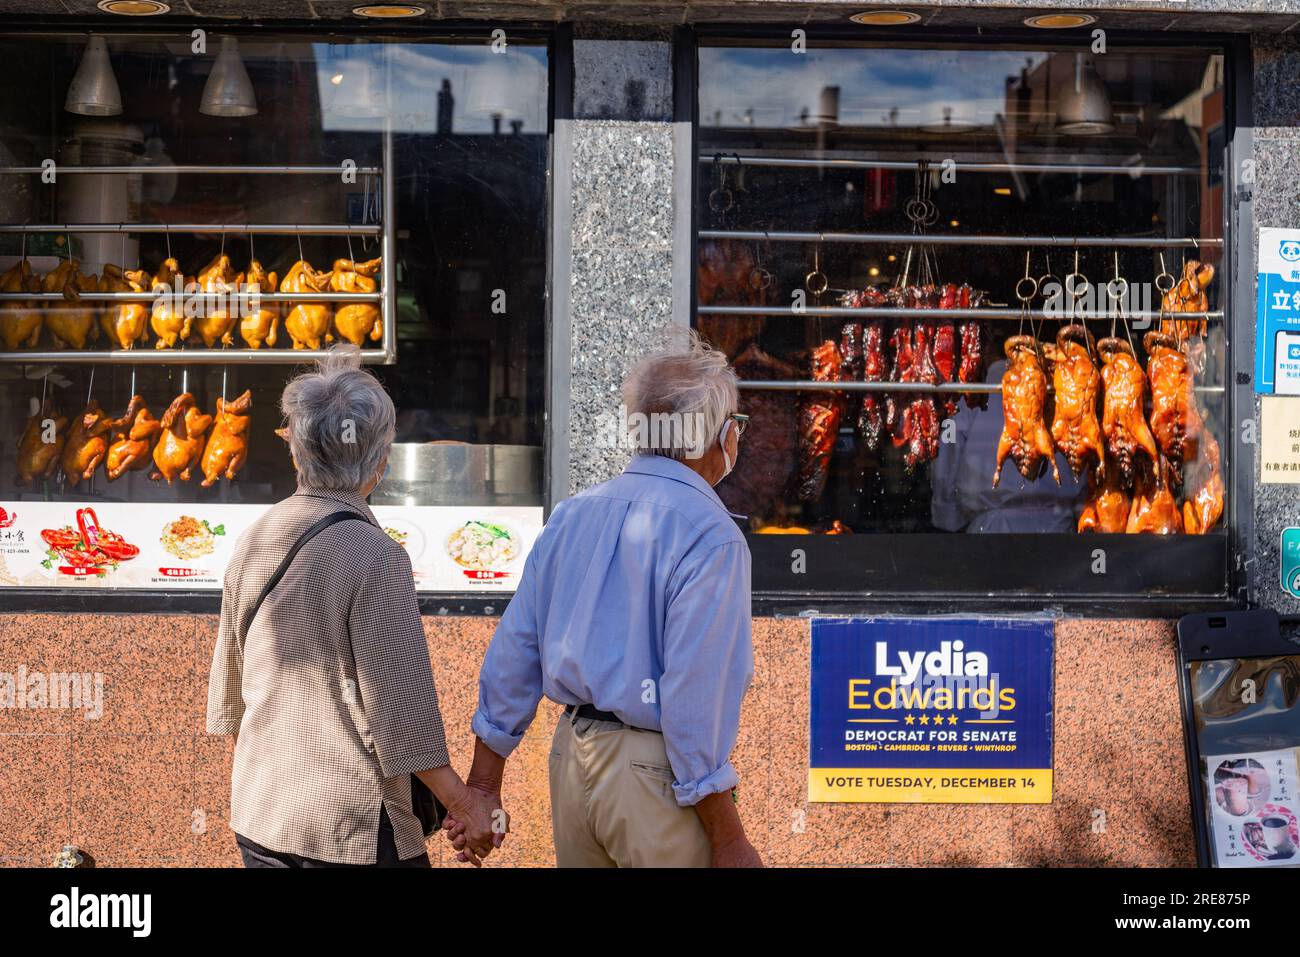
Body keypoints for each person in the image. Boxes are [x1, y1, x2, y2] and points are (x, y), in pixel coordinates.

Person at [451, 330, 762, 867]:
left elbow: (515, 653)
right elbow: (694, 700)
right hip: (656, 777)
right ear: (719, 436)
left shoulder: (574, 514)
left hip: (573, 760)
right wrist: (730, 838)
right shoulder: (711, 534)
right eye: (736, 425)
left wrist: (484, 784)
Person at [205, 346, 500, 868]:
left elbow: (231, 694)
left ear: (296, 452)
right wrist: (466, 807)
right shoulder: (377, 555)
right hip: (348, 830)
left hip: (261, 816)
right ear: (381, 459)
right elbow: (404, 721)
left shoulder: (254, 536)